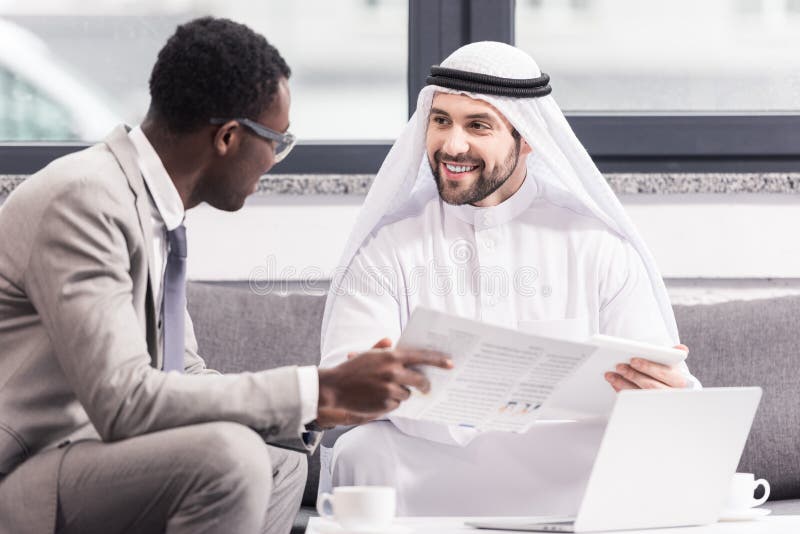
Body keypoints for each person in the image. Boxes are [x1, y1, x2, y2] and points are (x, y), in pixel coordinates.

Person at [0, 17, 451, 534]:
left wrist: (324, 409)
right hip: (26, 471)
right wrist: (318, 388)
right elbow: (124, 401)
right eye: (277, 142)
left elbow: (181, 379)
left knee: (280, 462)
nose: (274, 162)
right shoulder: (83, 201)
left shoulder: (153, 211)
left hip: (90, 458)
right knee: (231, 456)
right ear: (229, 137)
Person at [319, 41, 700, 516]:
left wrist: (665, 390)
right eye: (441, 121)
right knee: (363, 450)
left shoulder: (597, 244)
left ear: (528, 137)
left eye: (477, 125)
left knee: (641, 450)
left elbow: (662, 379)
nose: (452, 145)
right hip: (431, 458)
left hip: (564, 460)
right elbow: (342, 376)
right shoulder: (388, 246)